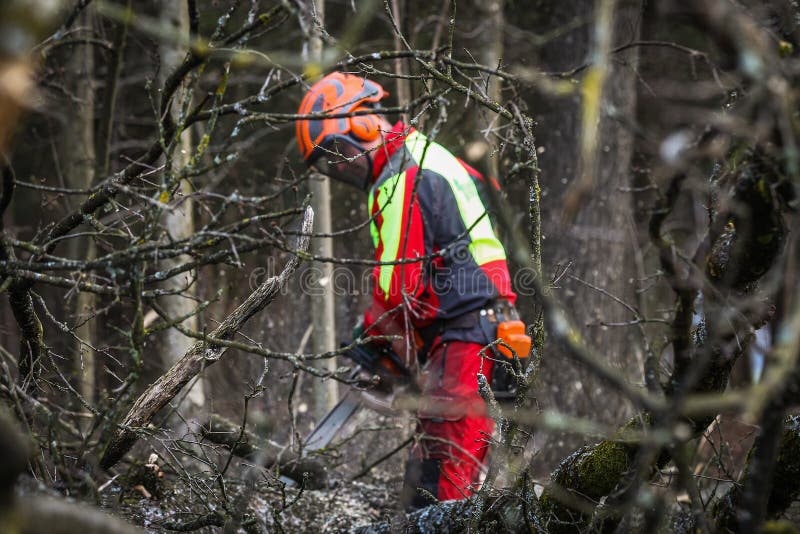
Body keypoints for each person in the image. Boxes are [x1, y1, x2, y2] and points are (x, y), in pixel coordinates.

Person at [295, 72, 519, 510]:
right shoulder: (422, 156)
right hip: (474, 330)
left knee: (445, 478)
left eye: (338, 151)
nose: (339, 166)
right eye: (328, 160)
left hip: (471, 335)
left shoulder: (405, 175)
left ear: (362, 124)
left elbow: (399, 284)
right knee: (428, 475)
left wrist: (374, 342)